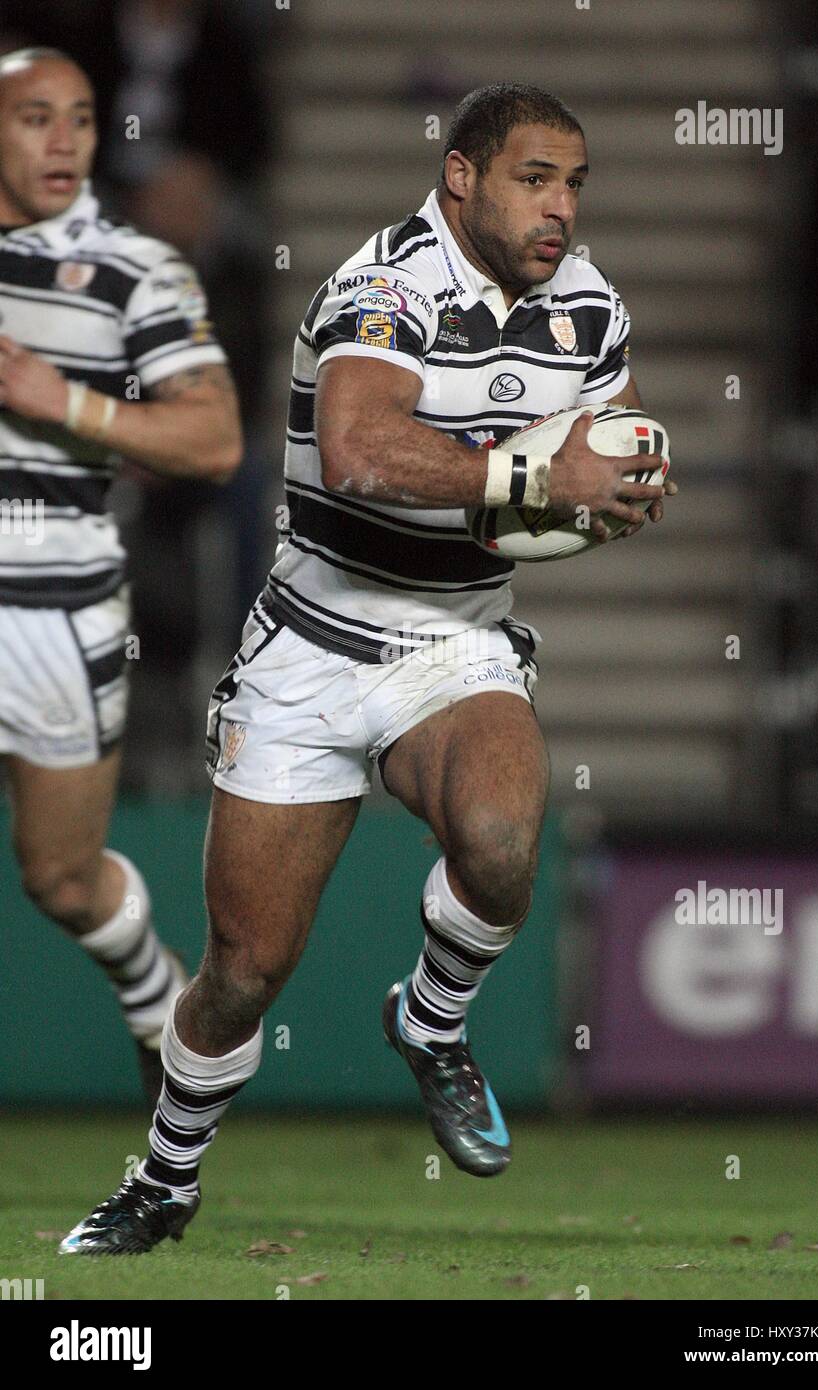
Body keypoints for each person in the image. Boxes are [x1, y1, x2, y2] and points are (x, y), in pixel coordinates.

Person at [61, 82, 675, 1255]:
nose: (559, 208)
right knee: (246, 967)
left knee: (500, 843)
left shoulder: (587, 305)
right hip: (313, 638)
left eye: (575, 184)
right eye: (533, 179)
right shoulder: (385, 284)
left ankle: (430, 1023)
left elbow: (614, 441)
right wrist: (538, 485)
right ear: (461, 178)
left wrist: (628, 485)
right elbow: (354, 450)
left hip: (455, 638)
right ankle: (166, 1178)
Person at [0, 49, 242, 1105]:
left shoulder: (133, 269)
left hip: (56, 597)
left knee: (58, 875)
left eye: (82, 120)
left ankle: (153, 995)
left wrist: (71, 405)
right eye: (34, 118)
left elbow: (216, 437)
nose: (63, 141)